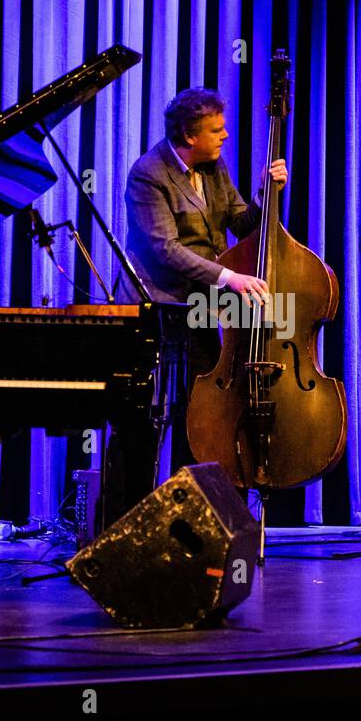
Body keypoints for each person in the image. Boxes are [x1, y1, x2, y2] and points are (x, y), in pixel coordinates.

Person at [105, 87, 287, 520]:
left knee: (205, 411)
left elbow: (243, 224)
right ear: (189, 134)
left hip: (204, 306)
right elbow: (163, 249)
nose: (225, 136)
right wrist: (229, 277)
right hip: (159, 307)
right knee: (143, 423)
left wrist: (267, 195)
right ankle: (125, 521)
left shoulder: (213, 167)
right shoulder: (148, 173)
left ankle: (199, 518)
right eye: (216, 129)